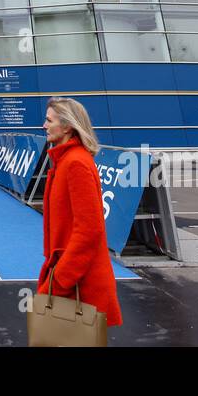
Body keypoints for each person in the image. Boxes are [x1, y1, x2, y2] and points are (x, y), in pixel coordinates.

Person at [37, 97, 123, 329]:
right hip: (72, 277)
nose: (43, 125)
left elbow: (90, 230)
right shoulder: (66, 161)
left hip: (78, 282)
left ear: (66, 126)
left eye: (48, 120)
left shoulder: (75, 163)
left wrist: (60, 280)